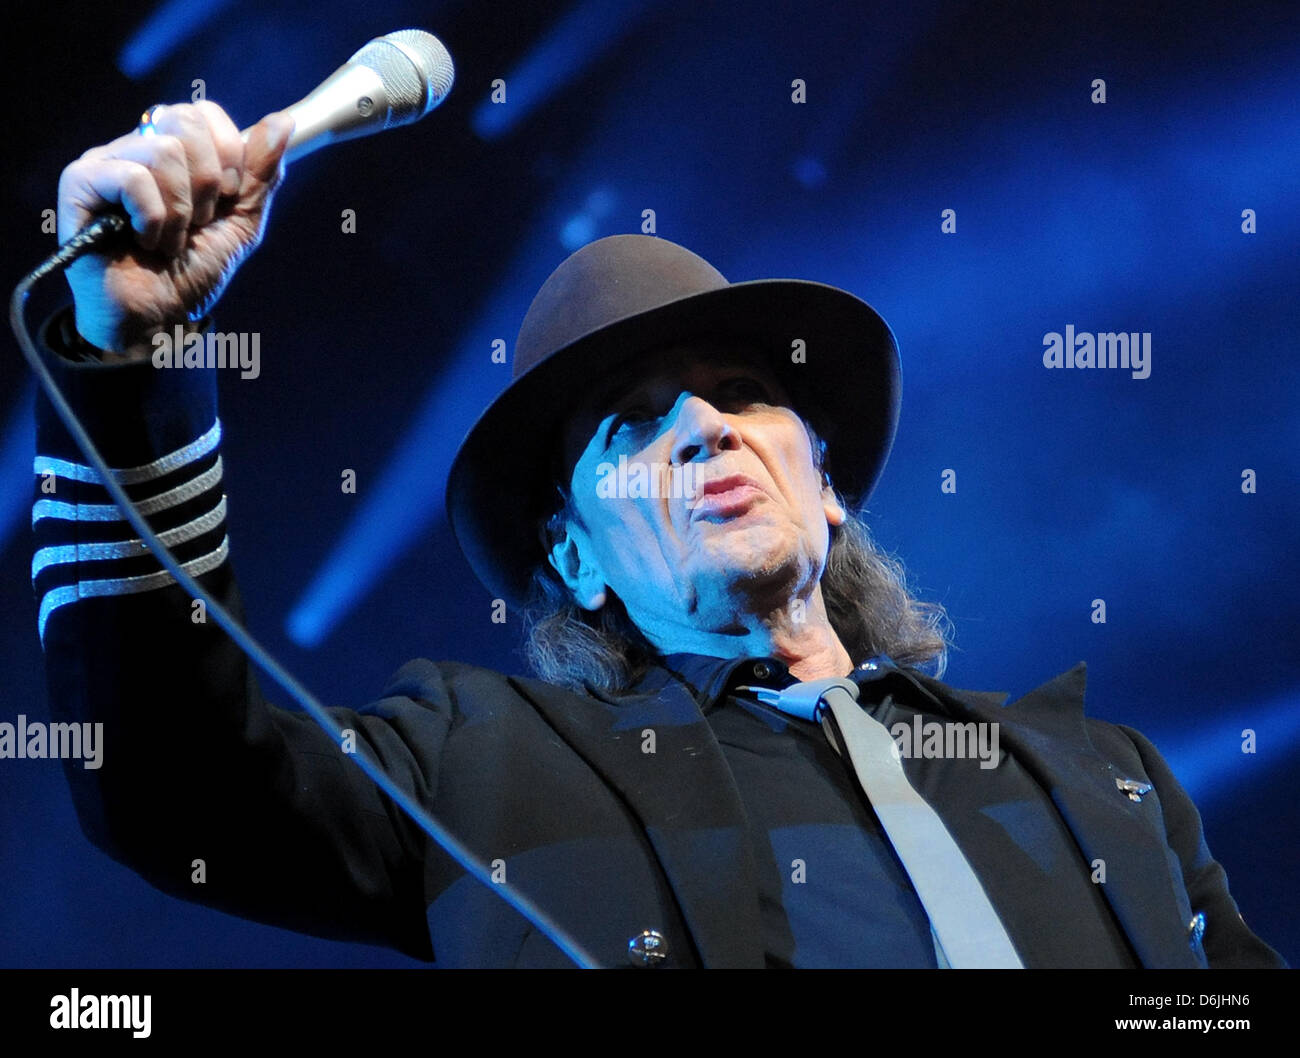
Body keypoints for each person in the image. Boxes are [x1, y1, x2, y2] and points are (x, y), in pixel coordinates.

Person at [33, 101, 1285, 968]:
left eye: (742, 392)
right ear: (571, 556)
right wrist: (128, 355)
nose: (701, 423)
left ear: (827, 483)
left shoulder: (1098, 775)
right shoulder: (480, 774)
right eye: (632, 425)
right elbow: (170, 785)